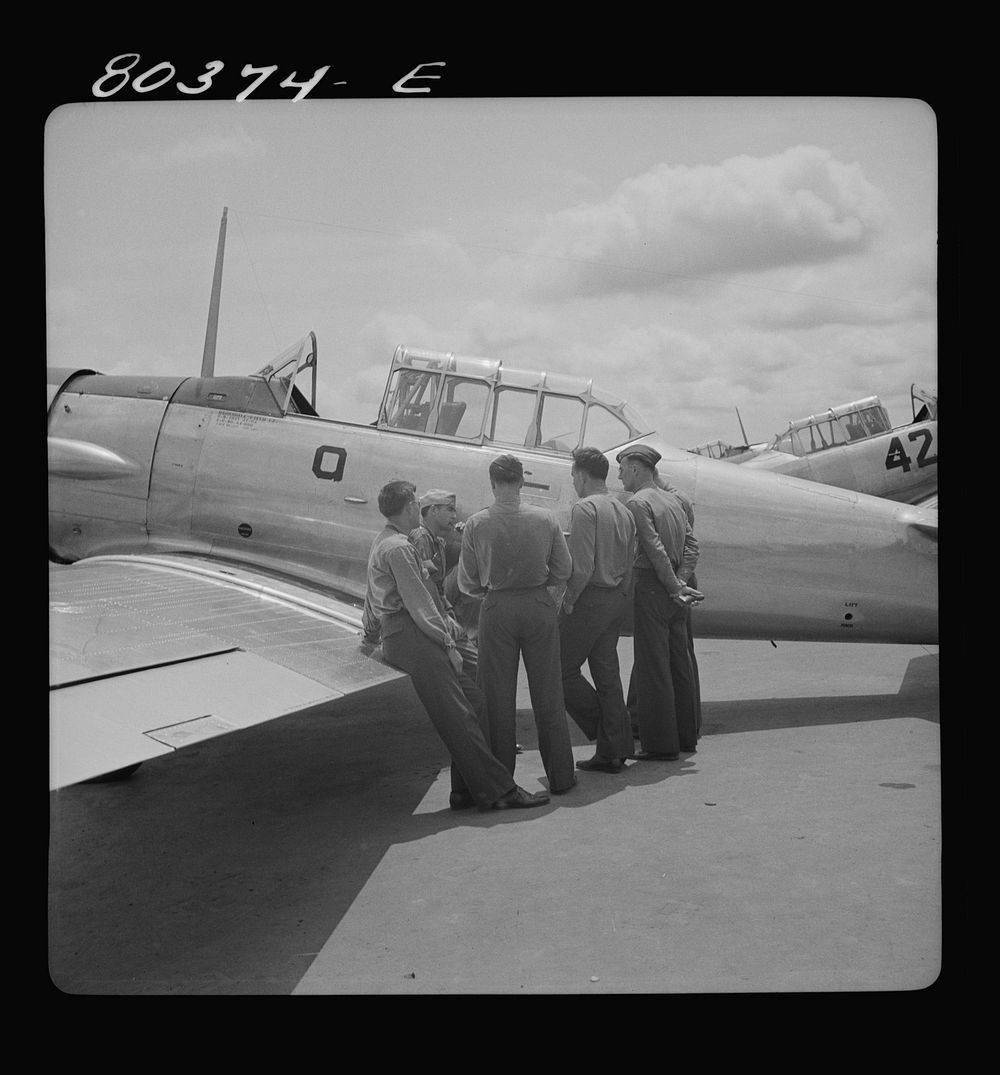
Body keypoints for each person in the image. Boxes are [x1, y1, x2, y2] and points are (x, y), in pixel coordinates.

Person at [365, 479, 549, 811]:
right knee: (459, 716)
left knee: (476, 702)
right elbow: (420, 604)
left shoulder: (387, 541)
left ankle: (464, 790)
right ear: (409, 507)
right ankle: (498, 792)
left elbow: (373, 598)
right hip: (413, 636)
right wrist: (448, 642)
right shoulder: (400, 547)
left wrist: (369, 635)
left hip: (412, 633)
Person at [458, 454, 576, 794]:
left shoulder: (477, 524)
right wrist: (544, 591)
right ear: (522, 482)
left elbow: (466, 582)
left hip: (497, 608)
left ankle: (501, 780)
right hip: (539, 606)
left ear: (493, 484)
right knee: (548, 693)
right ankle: (561, 777)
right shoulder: (546, 519)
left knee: (497, 698)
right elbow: (564, 569)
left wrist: (490, 592)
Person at [617, 444, 703, 760]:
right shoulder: (674, 500)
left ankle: (660, 744)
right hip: (675, 587)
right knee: (680, 661)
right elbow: (693, 545)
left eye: (623, 469)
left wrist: (670, 585)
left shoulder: (638, 502)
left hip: (654, 587)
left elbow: (654, 550)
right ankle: (685, 737)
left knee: (653, 667)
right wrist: (681, 581)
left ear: (637, 469)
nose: (620, 475)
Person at [559, 446, 636, 774]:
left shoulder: (584, 509)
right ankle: (614, 750)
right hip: (616, 599)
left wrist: (569, 599)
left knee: (558, 669)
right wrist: (621, 596)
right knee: (607, 675)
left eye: (573, 475)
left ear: (581, 475)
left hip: (590, 600)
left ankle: (607, 732)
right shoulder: (623, 509)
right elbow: (632, 562)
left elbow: (582, 567)